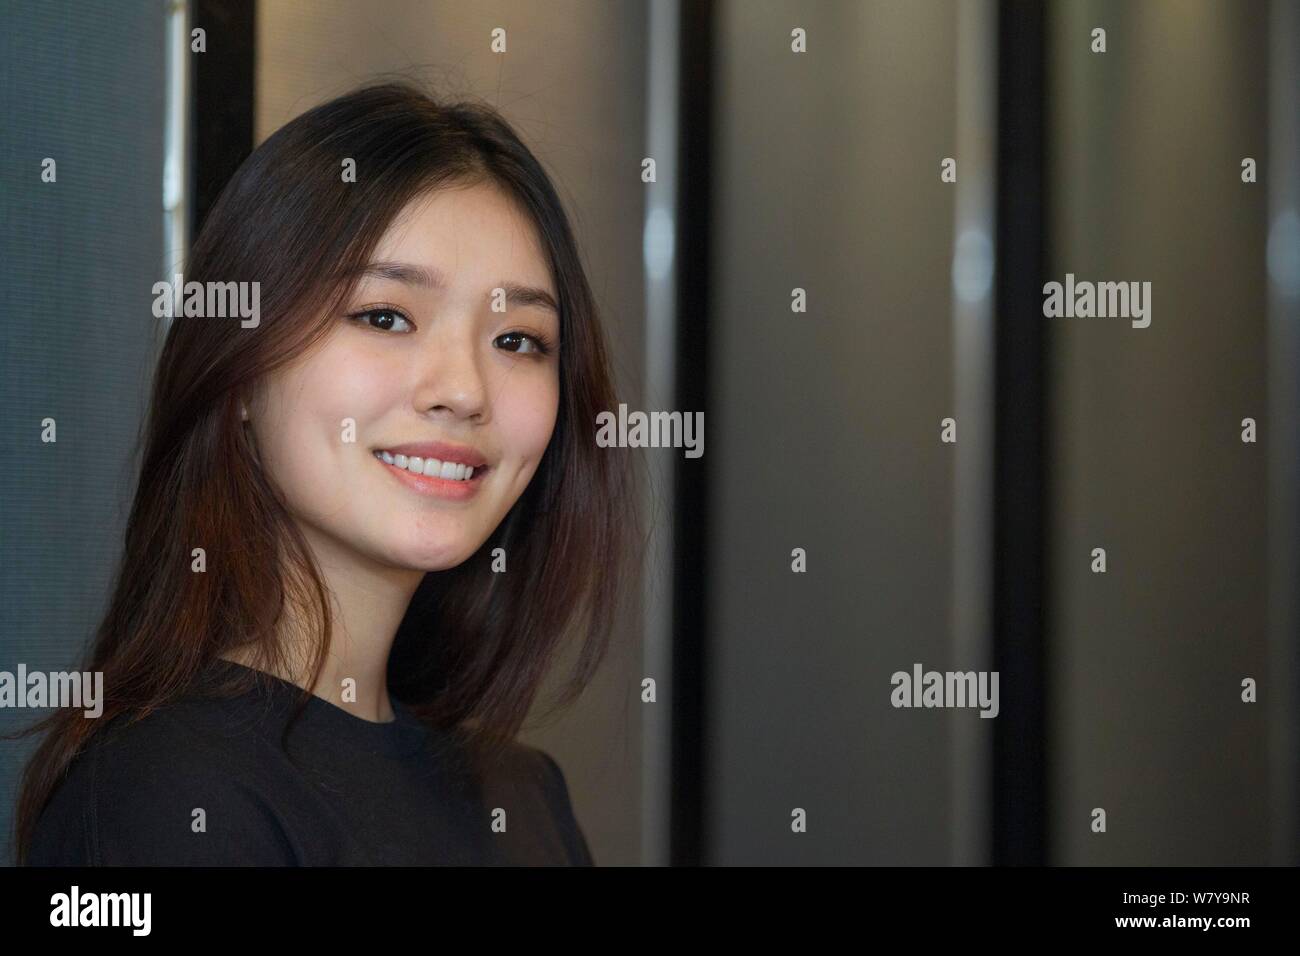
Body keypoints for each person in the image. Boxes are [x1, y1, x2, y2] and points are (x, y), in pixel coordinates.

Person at [11, 80, 641, 865]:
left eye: (517, 340)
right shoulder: (159, 800)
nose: (463, 390)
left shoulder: (526, 795)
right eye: (384, 317)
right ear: (239, 374)